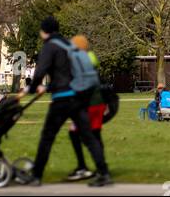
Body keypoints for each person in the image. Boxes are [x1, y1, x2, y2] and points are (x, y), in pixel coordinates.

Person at [24, 17, 112, 187]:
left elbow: (41, 71)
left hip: (61, 99)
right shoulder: (69, 45)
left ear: (44, 31)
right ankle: (104, 172)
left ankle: (36, 175)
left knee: (47, 136)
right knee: (88, 136)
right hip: (78, 97)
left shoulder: (49, 47)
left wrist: (34, 87)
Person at [66, 35, 108, 182]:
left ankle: (91, 168)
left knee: (76, 133)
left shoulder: (78, 60)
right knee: (94, 135)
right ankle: (99, 169)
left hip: (89, 104)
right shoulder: (90, 58)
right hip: (98, 102)